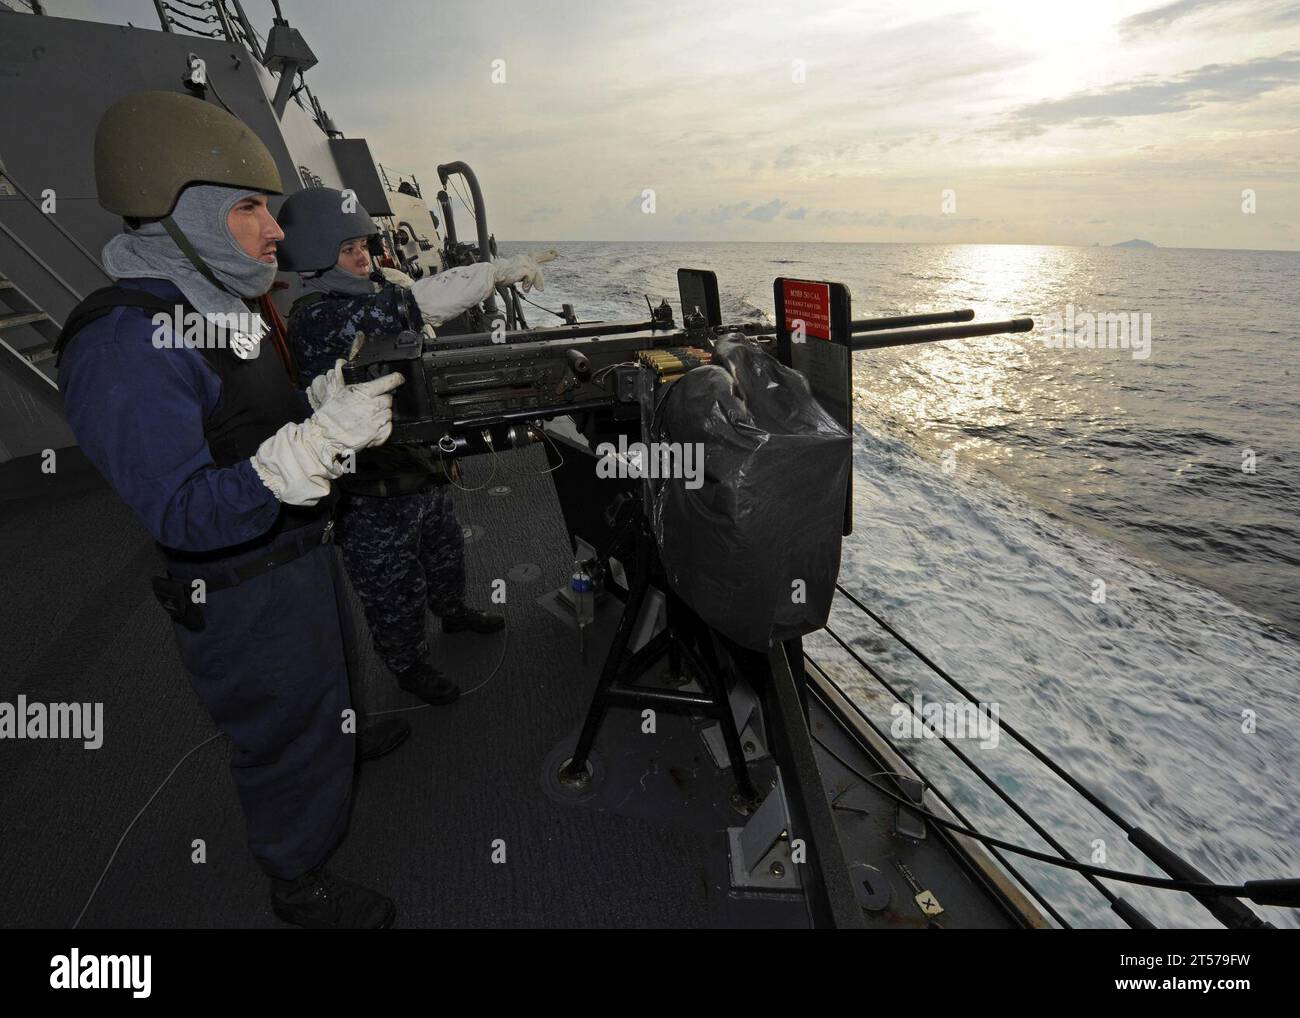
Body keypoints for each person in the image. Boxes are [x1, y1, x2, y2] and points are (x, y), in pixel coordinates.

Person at [56, 91, 404, 929]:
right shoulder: (123, 342)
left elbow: (243, 420)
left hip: (296, 550)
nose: (277, 231)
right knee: (280, 727)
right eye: (250, 208)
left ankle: (343, 739)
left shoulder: (220, 306)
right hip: (239, 585)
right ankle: (298, 875)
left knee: (330, 682)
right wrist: (312, 450)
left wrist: (311, 411)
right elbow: (178, 509)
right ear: (184, 220)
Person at [276, 188, 552, 703]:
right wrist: (491, 274)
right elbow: (412, 306)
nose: (363, 258)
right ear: (315, 258)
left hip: (418, 463)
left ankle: (452, 611)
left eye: (363, 246)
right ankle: (408, 665)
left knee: (444, 549)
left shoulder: (369, 295)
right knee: (392, 585)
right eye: (348, 250)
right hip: (372, 487)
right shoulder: (320, 317)